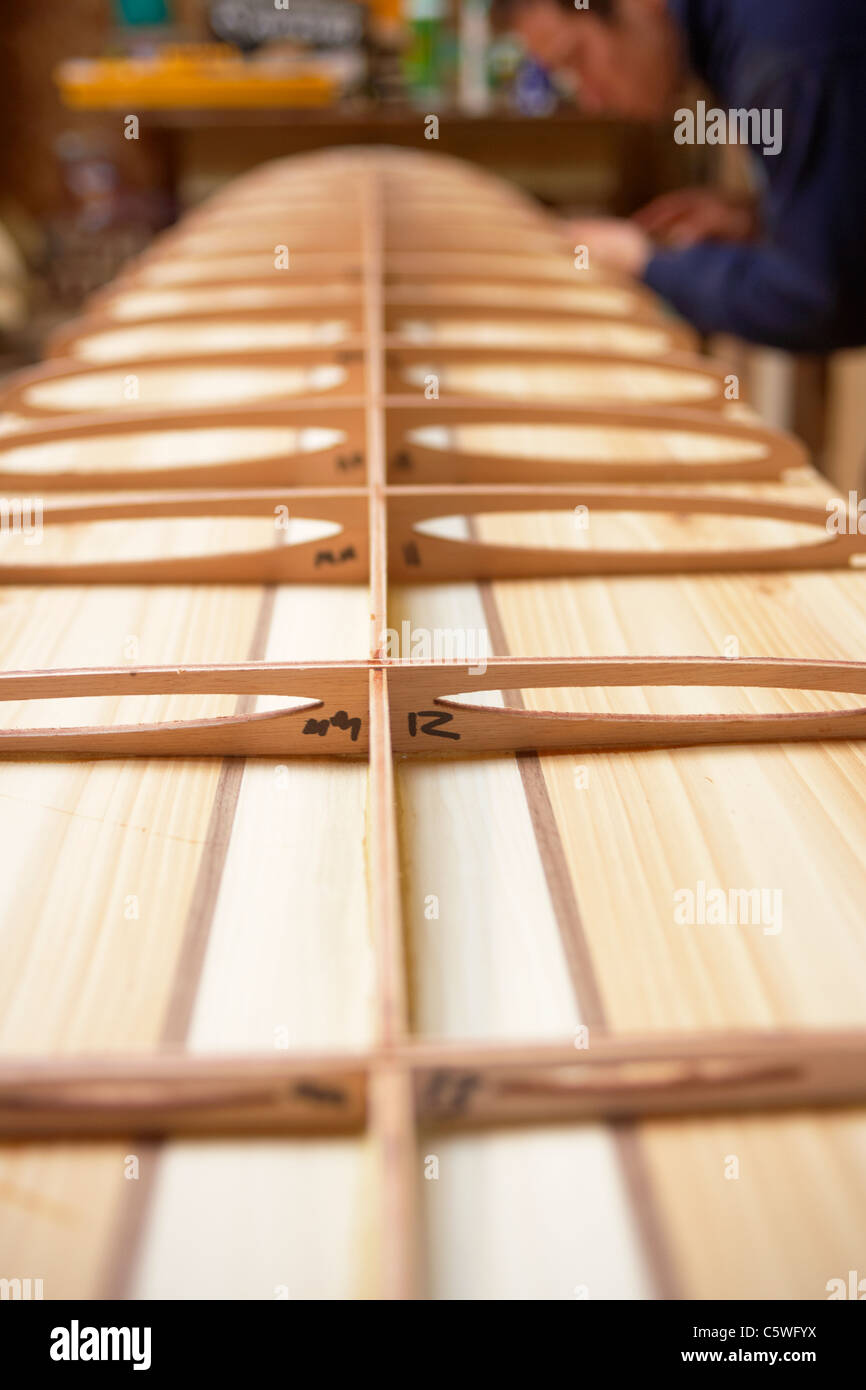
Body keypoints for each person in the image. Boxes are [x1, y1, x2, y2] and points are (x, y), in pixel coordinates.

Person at [491, 0, 866, 352]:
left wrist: (645, 263)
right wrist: (760, 217)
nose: (591, 100)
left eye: (577, 60)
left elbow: (819, 299)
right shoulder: (749, 30)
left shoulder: (784, 56)